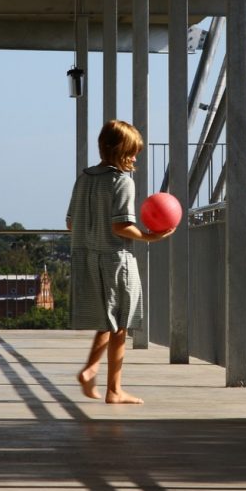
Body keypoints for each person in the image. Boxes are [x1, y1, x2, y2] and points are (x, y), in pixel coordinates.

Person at [66, 119, 175, 404]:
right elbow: (121, 226)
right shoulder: (121, 181)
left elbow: (70, 222)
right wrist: (151, 237)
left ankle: (92, 372)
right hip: (116, 259)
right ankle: (113, 389)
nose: (135, 157)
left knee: (107, 321)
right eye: (132, 151)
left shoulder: (84, 178)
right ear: (119, 150)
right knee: (121, 325)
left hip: (87, 256)